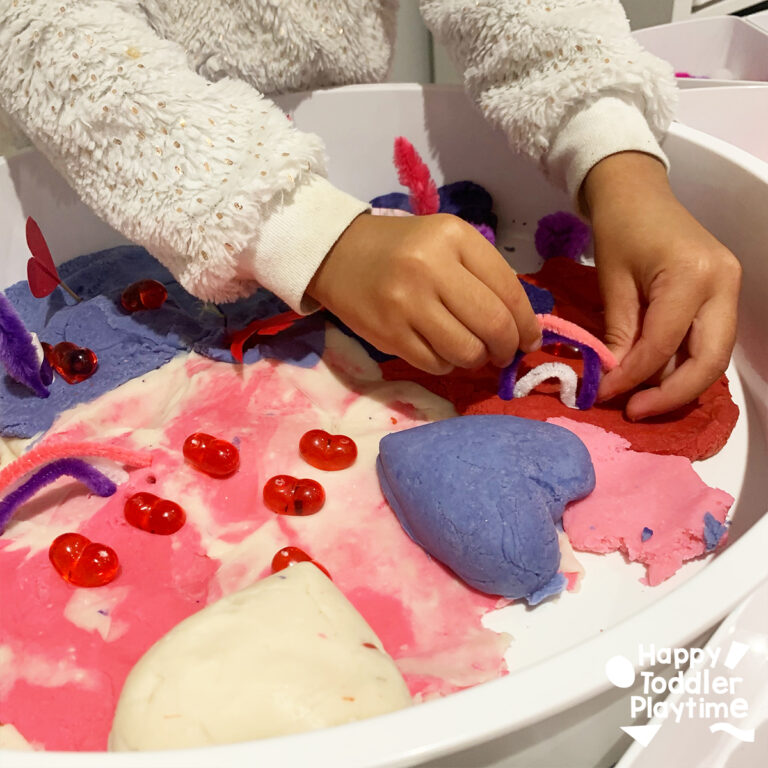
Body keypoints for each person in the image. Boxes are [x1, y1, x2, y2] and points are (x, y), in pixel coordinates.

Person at [0, 1, 741, 421]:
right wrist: (309, 234)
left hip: (345, 203)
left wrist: (612, 154)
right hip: (107, 191)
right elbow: (46, 37)